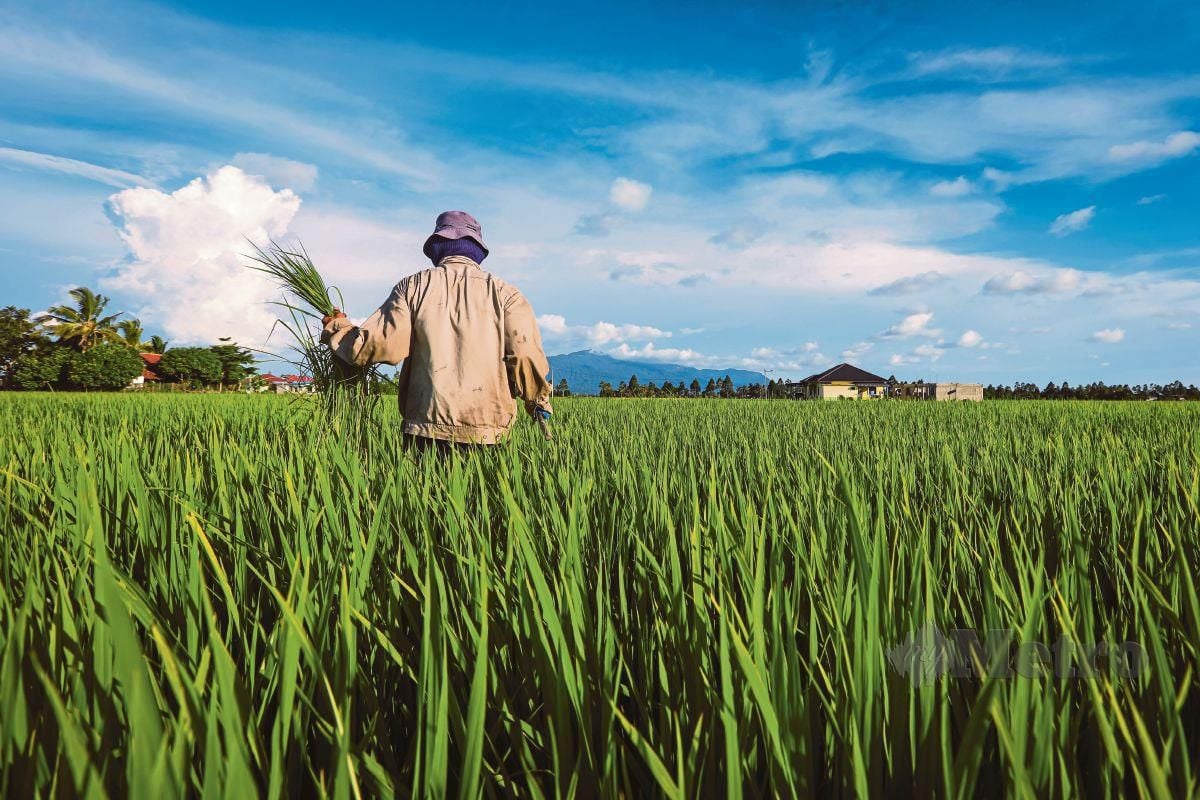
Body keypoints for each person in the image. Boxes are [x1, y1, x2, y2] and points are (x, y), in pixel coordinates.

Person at [320, 211, 552, 447]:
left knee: (424, 484)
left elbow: (375, 346)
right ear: (477, 250)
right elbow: (524, 355)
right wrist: (537, 401)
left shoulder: (413, 286)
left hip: (424, 431)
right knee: (483, 485)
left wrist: (337, 327)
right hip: (488, 433)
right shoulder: (506, 294)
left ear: (437, 246)